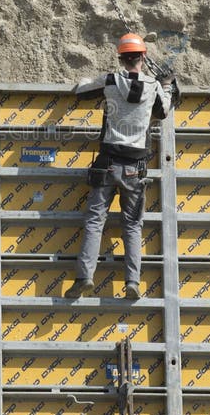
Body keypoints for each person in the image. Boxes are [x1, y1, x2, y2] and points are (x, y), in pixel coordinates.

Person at [65, 33, 175, 301]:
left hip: (107, 163)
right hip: (135, 167)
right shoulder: (153, 87)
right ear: (143, 57)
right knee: (132, 225)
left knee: (94, 221)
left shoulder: (111, 80)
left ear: (121, 58)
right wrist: (168, 85)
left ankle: (85, 276)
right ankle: (132, 282)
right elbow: (163, 111)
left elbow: (80, 92)